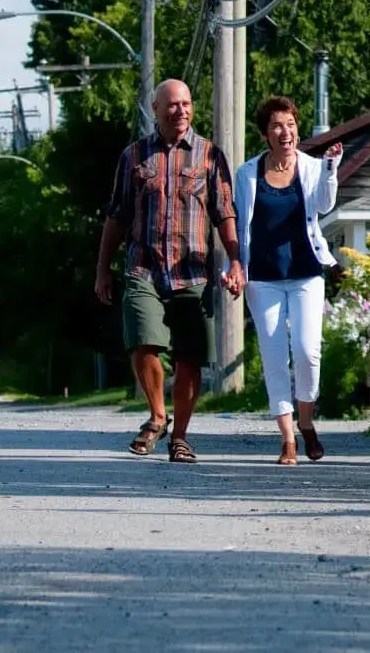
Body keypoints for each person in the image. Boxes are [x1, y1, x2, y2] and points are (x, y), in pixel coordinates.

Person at [94, 79, 242, 463]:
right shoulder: (135, 156)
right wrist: (102, 269)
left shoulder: (210, 155)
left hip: (192, 273)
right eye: (173, 105)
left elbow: (224, 213)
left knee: (190, 356)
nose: (181, 111)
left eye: (187, 104)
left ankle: (180, 437)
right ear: (156, 109)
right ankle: (158, 415)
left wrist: (236, 260)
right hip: (143, 267)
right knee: (143, 342)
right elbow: (117, 215)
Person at [233, 95, 341, 465]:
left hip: (306, 274)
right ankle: (288, 438)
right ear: (266, 133)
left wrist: (331, 168)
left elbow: (325, 205)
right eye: (278, 126)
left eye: (291, 124)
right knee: (274, 355)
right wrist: (234, 266)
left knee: (309, 351)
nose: (286, 132)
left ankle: (307, 422)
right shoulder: (247, 174)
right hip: (263, 278)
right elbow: (238, 225)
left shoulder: (311, 167)